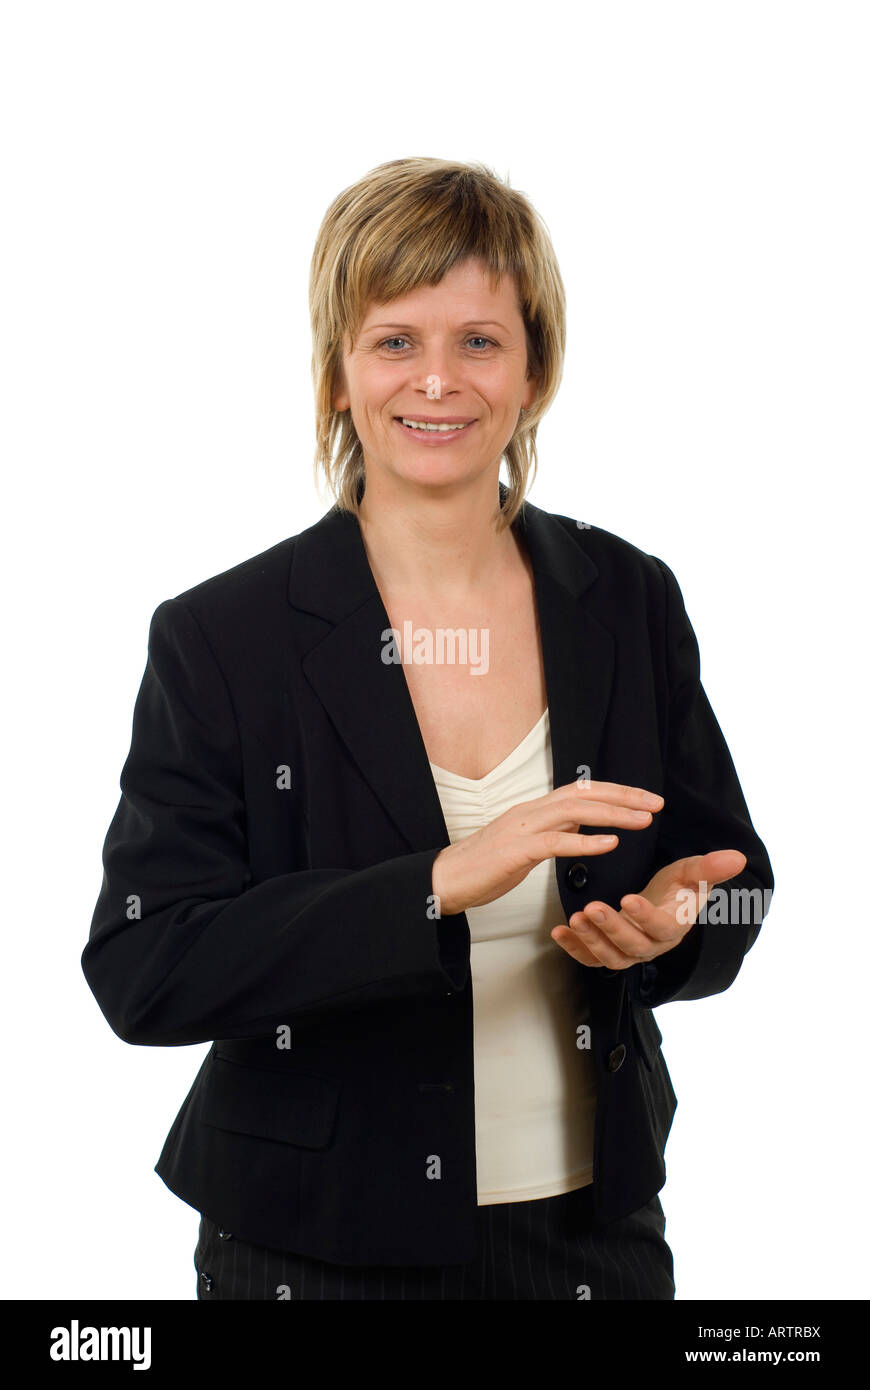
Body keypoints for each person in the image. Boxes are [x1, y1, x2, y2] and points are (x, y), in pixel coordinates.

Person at [82, 156, 774, 1301]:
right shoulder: (225, 635)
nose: (438, 381)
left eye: (481, 341)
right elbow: (145, 963)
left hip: (592, 1237)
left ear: (536, 369)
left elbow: (739, 883)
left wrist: (681, 924)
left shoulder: (628, 595)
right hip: (313, 1247)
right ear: (337, 375)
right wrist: (438, 880)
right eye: (395, 340)